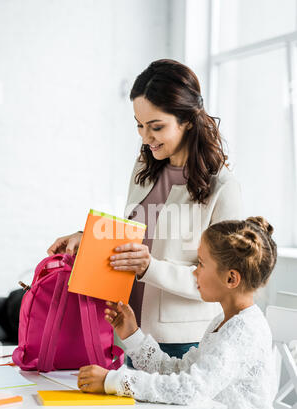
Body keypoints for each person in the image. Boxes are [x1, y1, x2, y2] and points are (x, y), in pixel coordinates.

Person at [47, 59, 242, 364]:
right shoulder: (145, 167)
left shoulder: (223, 188)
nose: (145, 137)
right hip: (129, 330)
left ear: (187, 120)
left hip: (181, 342)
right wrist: (88, 237)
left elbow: (226, 283)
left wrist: (150, 268)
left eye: (156, 127)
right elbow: (136, 238)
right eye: (139, 125)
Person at [77, 216, 278, 409]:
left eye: (201, 264)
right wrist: (132, 334)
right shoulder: (222, 323)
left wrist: (113, 381)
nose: (194, 273)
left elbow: (190, 389)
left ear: (231, 278)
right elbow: (178, 370)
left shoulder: (243, 332)